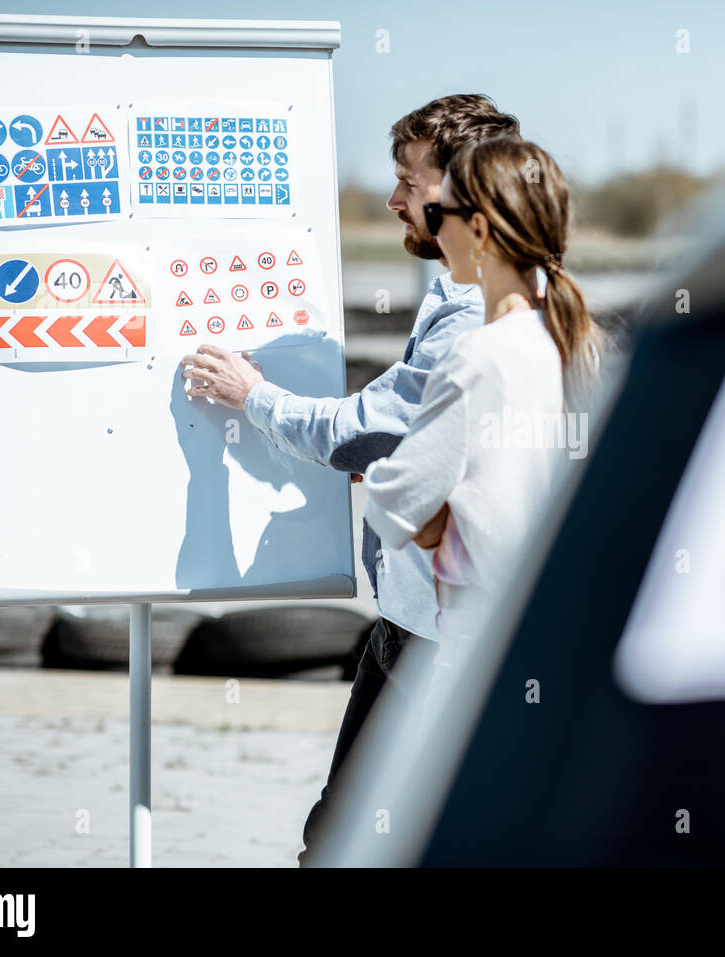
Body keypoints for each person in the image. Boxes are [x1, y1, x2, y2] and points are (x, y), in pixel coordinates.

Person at [178, 95, 520, 866]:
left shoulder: (474, 314)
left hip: (443, 636)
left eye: (408, 180)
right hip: (411, 620)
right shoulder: (461, 286)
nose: (394, 198)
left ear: (460, 192)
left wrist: (251, 396)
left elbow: (365, 431)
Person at [361, 137, 605, 691]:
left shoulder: (476, 356)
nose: (432, 224)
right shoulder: (583, 343)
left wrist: (397, 481)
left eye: (440, 211)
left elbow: (393, 507)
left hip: (479, 659)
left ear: (479, 231)